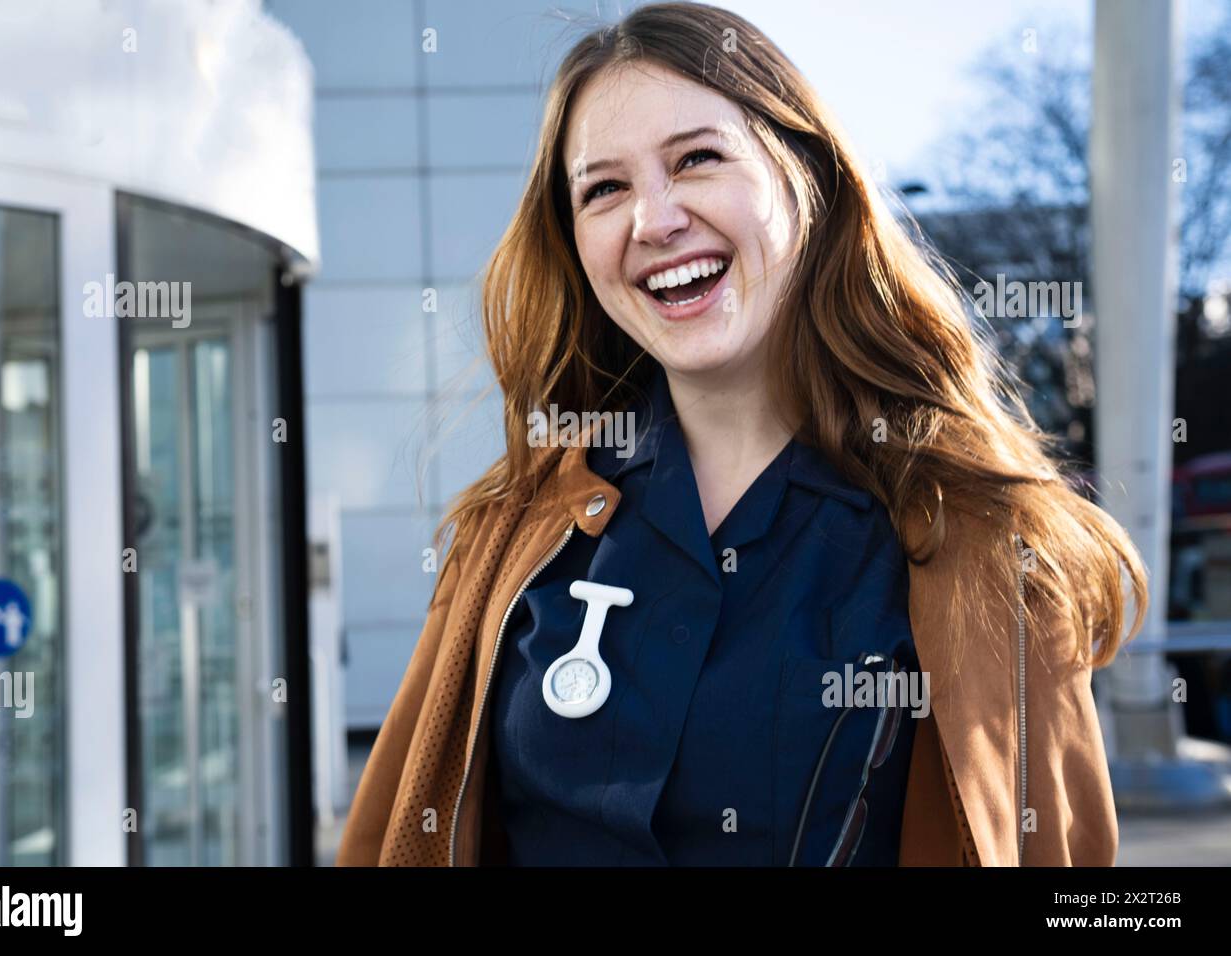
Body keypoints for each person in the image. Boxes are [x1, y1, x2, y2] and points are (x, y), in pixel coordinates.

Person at [336, 1, 1148, 867]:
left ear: (808, 180)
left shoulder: (988, 549)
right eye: (604, 189)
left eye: (696, 160)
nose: (653, 220)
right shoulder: (511, 538)